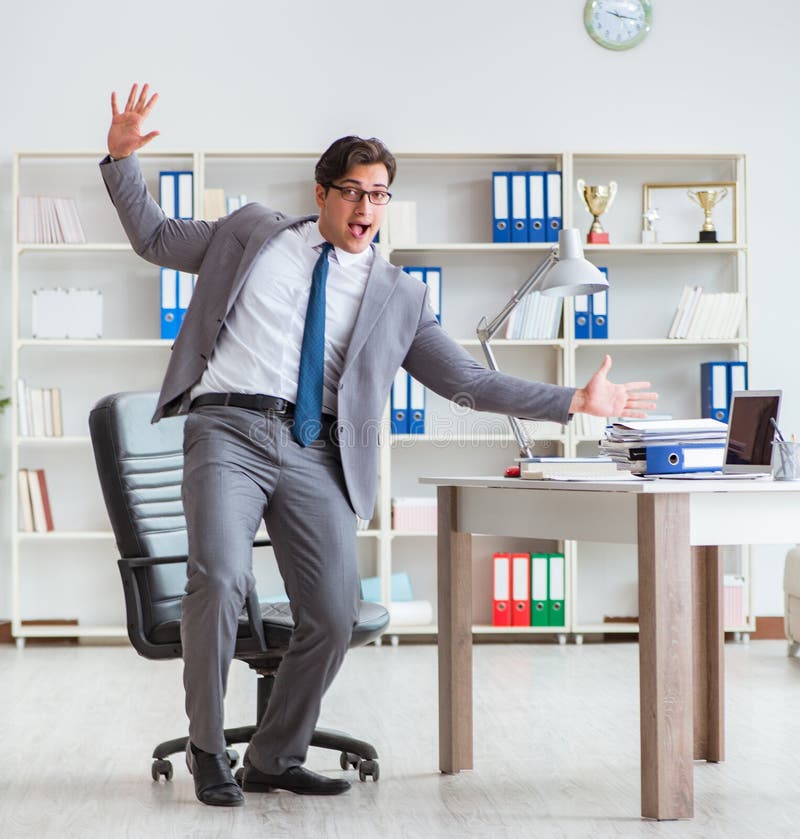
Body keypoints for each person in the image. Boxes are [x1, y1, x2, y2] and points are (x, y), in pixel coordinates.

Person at [101, 83, 657, 807]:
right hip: (228, 428)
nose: (367, 209)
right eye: (354, 192)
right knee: (217, 574)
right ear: (322, 192)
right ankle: (210, 748)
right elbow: (153, 238)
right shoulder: (252, 233)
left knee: (332, 613)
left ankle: (273, 754)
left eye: (380, 195)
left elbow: (462, 380)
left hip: (313, 449)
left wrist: (572, 403)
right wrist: (120, 159)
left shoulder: (399, 295)